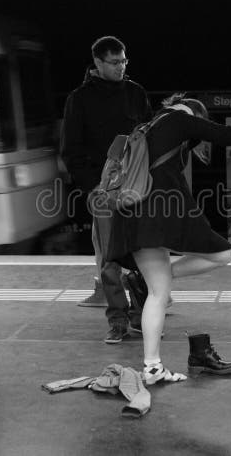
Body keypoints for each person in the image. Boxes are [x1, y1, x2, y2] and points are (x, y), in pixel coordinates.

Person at [101, 95, 231, 383]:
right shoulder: (180, 119)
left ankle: (153, 368)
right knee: (222, 254)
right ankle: (150, 283)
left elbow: (188, 144)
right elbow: (223, 135)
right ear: (194, 114)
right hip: (161, 210)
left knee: (158, 294)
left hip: (131, 211)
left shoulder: (148, 128)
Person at [61, 35, 152, 344]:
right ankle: (117, 320)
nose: (121, 67)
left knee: (142, 254)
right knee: (109, 260)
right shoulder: (79, 99)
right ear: (98, 63)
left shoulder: (136, 93)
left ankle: (144, 316)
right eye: (115, 63)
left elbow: (149, 138)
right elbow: (70, 150)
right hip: (102, 191)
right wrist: (93, 187)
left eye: (124, 61)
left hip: (137, 188)